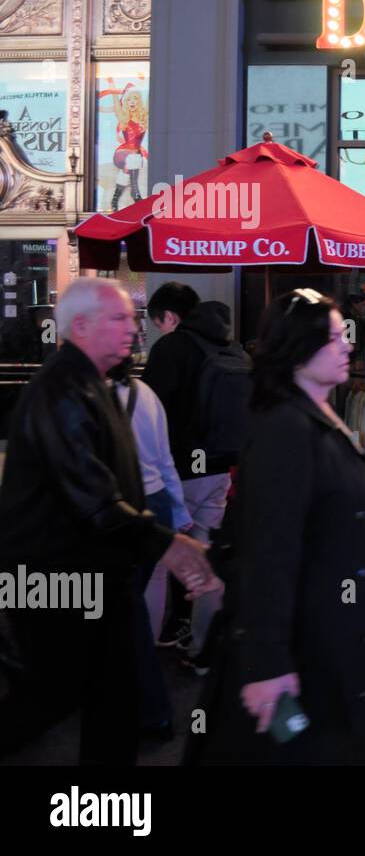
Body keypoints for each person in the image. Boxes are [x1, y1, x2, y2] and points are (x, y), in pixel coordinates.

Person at [187, 289, 365, 764]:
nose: (347, 345)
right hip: (321, 644)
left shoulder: (318, 418)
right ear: (298, 347)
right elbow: (270, 549)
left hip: (348, 636)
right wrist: (268, 660)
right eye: (333, 338)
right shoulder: (286, 430)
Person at [0, 277, 218, 764]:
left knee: (111, 697)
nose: (132, 329)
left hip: (99, 573)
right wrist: (170, 543)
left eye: (133, 318)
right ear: (80, 326)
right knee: (51, 697)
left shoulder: (99, 384)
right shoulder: (59, 392)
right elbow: (93, 499)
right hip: (57, 580)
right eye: (118, 319)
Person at [142, 282, 246, 665]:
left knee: (156, 560)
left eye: (159, 322)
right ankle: (203, 648)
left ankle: (148, 649)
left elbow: (149, 415)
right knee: (206, 558)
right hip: (219, 469)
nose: (161, 330)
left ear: (170, 316)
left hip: (177, 472)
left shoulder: (170, 349)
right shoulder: (229, 347)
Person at [108, 354, 194, 743]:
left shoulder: (87, 396)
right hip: (156, 499)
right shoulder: (145, 393)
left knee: (122, 605)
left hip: (119, 504)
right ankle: (150, 655)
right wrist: (177, 509)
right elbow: (165, 459)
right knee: (147, 584)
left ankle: (146, 699)